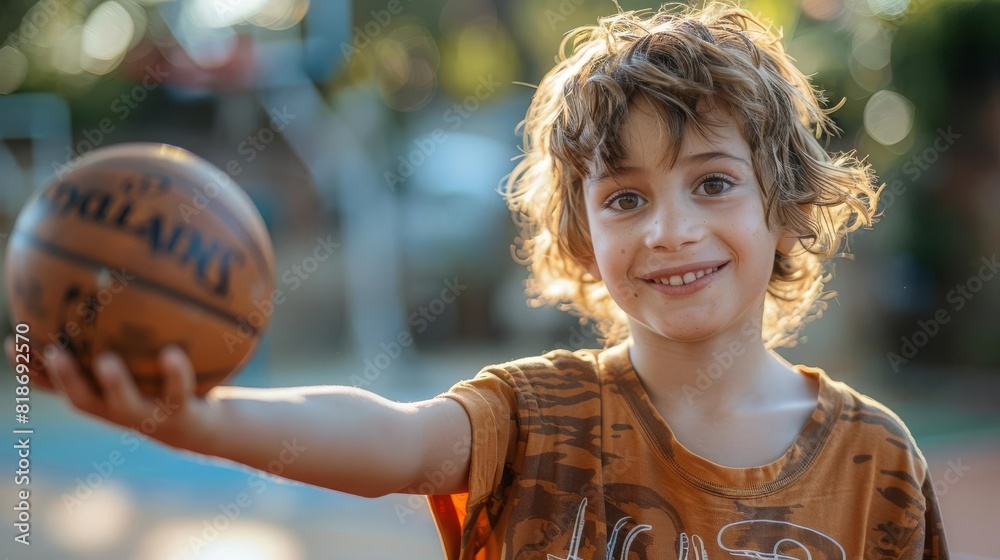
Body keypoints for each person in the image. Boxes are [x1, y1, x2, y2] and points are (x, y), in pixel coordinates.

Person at [5, 2, 948, 559]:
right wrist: (194, 416)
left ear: (783, 205)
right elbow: (391, 438)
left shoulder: (877, 462)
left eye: (711, 181)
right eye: (623, 198)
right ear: (579, 237)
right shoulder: (540, 414)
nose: (669, 229)